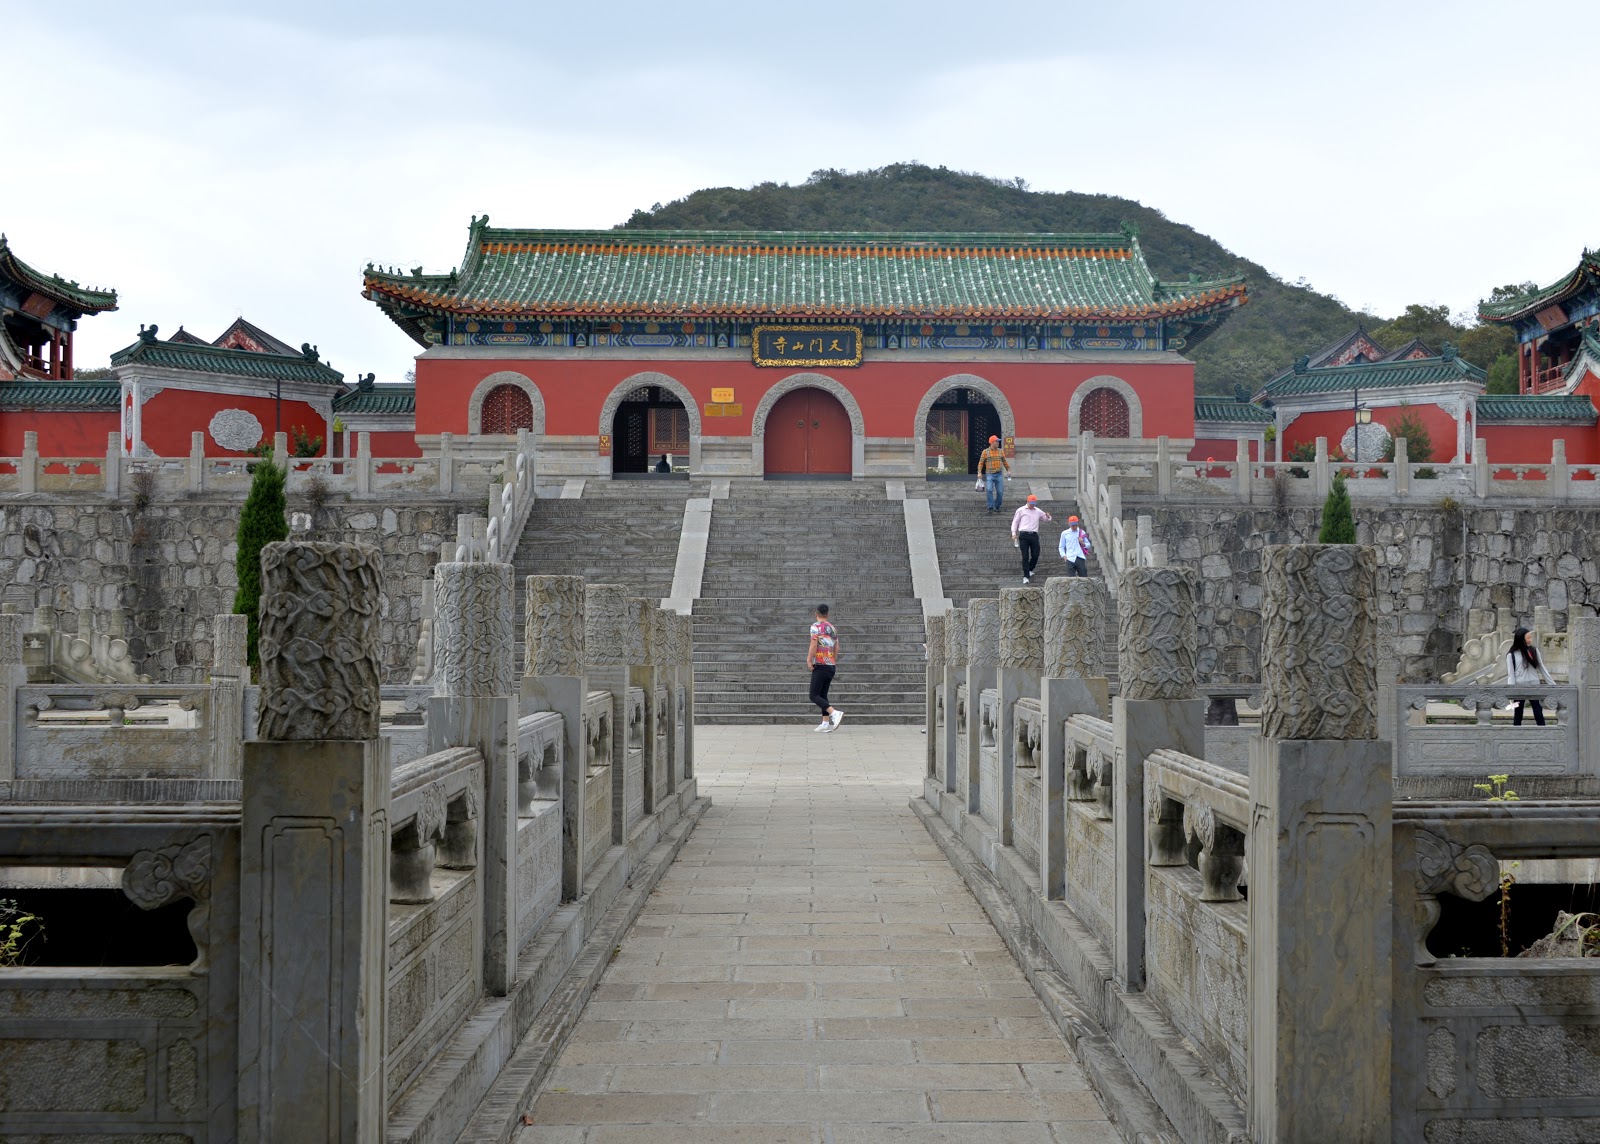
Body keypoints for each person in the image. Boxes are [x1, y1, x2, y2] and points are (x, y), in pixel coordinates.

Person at [1506, 626, 1555, 726]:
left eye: (1530, 637)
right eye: (1528, 638)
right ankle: (1516, 735)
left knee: (1538, 713)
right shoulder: (1511, 655)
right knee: (1518, 714)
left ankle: (1543, 734)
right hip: (1519, 687)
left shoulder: (1534, 651)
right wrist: (1511, 693)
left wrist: (1552, 684)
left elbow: (1542, 668)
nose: (1530, 640)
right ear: (1521, 639)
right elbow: (1511, 675)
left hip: (1534, 685)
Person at [807, 604, 844, 732]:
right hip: (830, 665)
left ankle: (834, 713)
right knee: (823, 694)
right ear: (827, 615)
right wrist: (833, 660)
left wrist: (809, 660)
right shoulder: (832, 628)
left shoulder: (815, 627)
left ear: (816, 614)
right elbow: (837, 647)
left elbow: (813, 644)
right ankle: (825, 723)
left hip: (821, 664)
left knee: (813, 695)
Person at [1010, 494, 1052, 584]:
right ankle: (1026, 576)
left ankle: (1029, 569)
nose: (1032, 505)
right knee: (1025, 556)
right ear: (1027, 501)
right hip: (1024, 535)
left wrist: (1048, 516)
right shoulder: (1021, 510)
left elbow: (1046, 519)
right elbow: (1015, 522)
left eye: (1034, 503)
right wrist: (1014, 533)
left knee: (1036, 554)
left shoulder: (1037, 511)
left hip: (1033, 535)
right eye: (1031, 503)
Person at [977, 435, 1011, 514]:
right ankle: (990, 506)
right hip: (990, 474)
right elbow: (981, 463)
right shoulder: (985, 452)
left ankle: (997, 506)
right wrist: (979, 472)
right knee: (989, 489)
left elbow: (1005, 462)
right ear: (992, 442)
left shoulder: (1000, 451)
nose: (998, 442)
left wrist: (1008, 470)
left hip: (999, 474)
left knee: (1000, 491)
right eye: (996, 441)